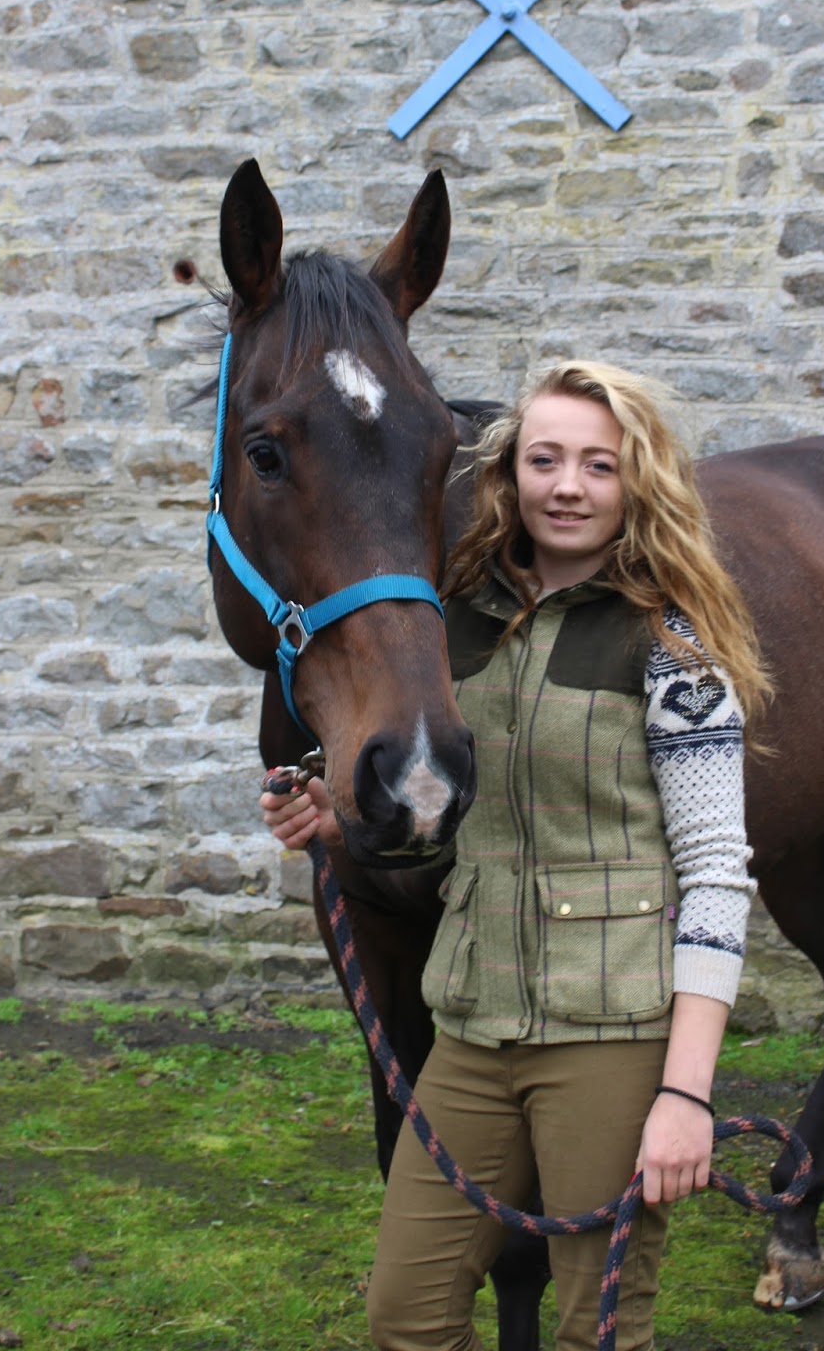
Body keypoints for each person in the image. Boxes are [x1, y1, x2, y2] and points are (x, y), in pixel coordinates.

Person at [261, 361, 769, 1351]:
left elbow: (714, 874)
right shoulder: (455, 625)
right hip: (472, 1030)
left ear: (636, 482)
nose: (566, 485)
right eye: (544, 459)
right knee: (404, 1311)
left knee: (597, 1330)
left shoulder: (674, 645)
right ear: (510, 473)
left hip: (610, 1036)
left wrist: (684, 1092)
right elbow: (459, 821)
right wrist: (338, 819)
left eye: (597, 464)